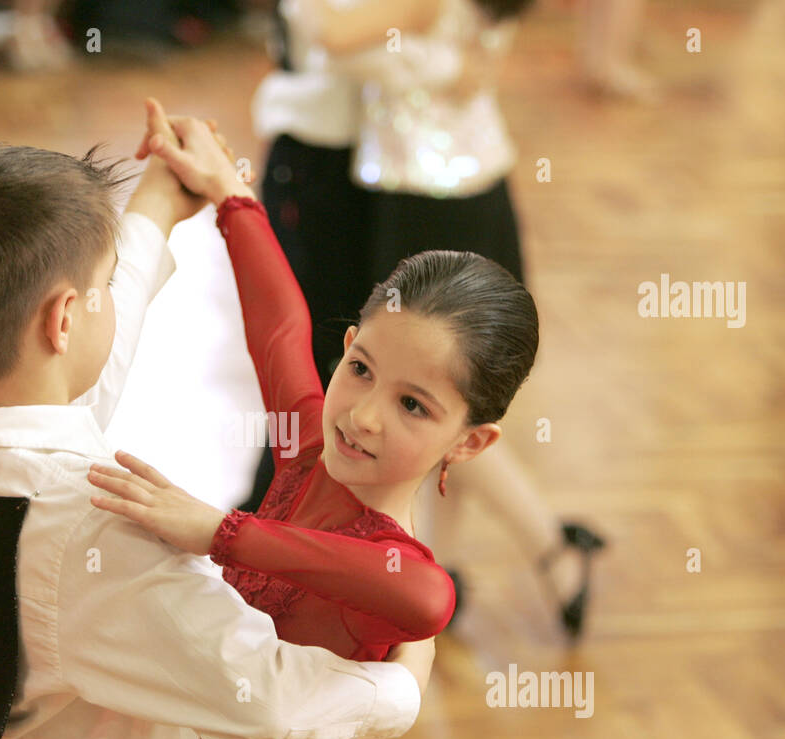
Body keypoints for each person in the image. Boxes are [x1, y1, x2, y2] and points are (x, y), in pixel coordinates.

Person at [0, 101, 432, 739]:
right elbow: (258, 690)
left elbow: (73, 377)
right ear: (65, 319)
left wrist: (158, 209)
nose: (117, 295)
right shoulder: (99, 533)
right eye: (104, 285)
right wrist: (397, 691)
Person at [88, 100, 536, 739]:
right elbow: (280, 329)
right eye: (359, 369)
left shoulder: (401, 566)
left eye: (412, 406)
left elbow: (429, 601)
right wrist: (230, 195)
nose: (362, 416)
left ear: (472, 441)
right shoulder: (305, 447)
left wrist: (219, 533)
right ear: (351, 343)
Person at [251, 0, 606, 641]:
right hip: (440, 192)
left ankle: (550, 548)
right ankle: (449, 571)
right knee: (439, 404)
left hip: (436, 203)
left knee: (439, 411)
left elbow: (332, 31)